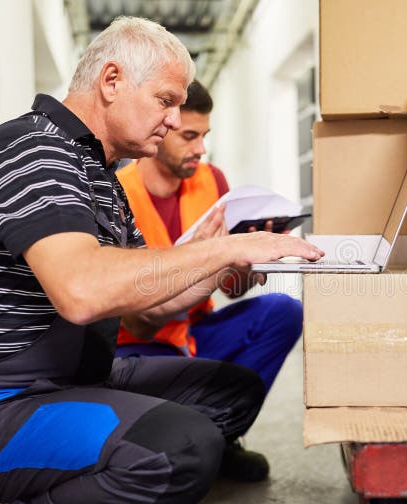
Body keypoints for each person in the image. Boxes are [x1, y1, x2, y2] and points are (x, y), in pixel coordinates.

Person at [0, 16, 322, 504]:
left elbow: (148, 309)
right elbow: (81, 291)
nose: (173, 120)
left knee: (231, 393)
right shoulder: (32, 148)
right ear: (111, 81)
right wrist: (230, 245)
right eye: (165, 101)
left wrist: (220, 261)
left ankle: (90, 486)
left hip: (75, 379)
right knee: (184, 447)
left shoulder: (100, 178)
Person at [114, 80, 303, 482]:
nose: (200, 148)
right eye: (189, 136)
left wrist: (248, 264)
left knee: (284, 311)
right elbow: (136, 317)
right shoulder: (117, 191)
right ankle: (188, 443)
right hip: (135, 348)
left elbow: (232, 287)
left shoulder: (211, 180)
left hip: (195, 333)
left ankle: (217, 437)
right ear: (161, 129)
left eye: (205, 136)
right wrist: (212, 261)